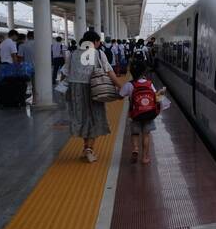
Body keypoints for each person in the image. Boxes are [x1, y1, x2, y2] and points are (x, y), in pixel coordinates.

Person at [63, 29, 120, 163]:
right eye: (98, 42)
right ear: (94, 42)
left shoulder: (73, 54)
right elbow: (109, 71)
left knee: (83, 118)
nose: (99, 44)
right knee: (95, 117)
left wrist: (64, 90)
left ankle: (85, 148)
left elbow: (65, 73)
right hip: (94, 89)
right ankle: (89, 149)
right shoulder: (98, 53)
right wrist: (120, 86)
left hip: (76, 90)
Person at [120, 58, 163, 165]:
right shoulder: (149, 84)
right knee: (146, 135)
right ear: (144, 72)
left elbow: (120, 96)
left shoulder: (129, 85)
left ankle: (135, 149)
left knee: (135, 133)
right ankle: (145, 158)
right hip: (149, 114)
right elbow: (156, 96)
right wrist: (161, 93)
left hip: (135, 115)